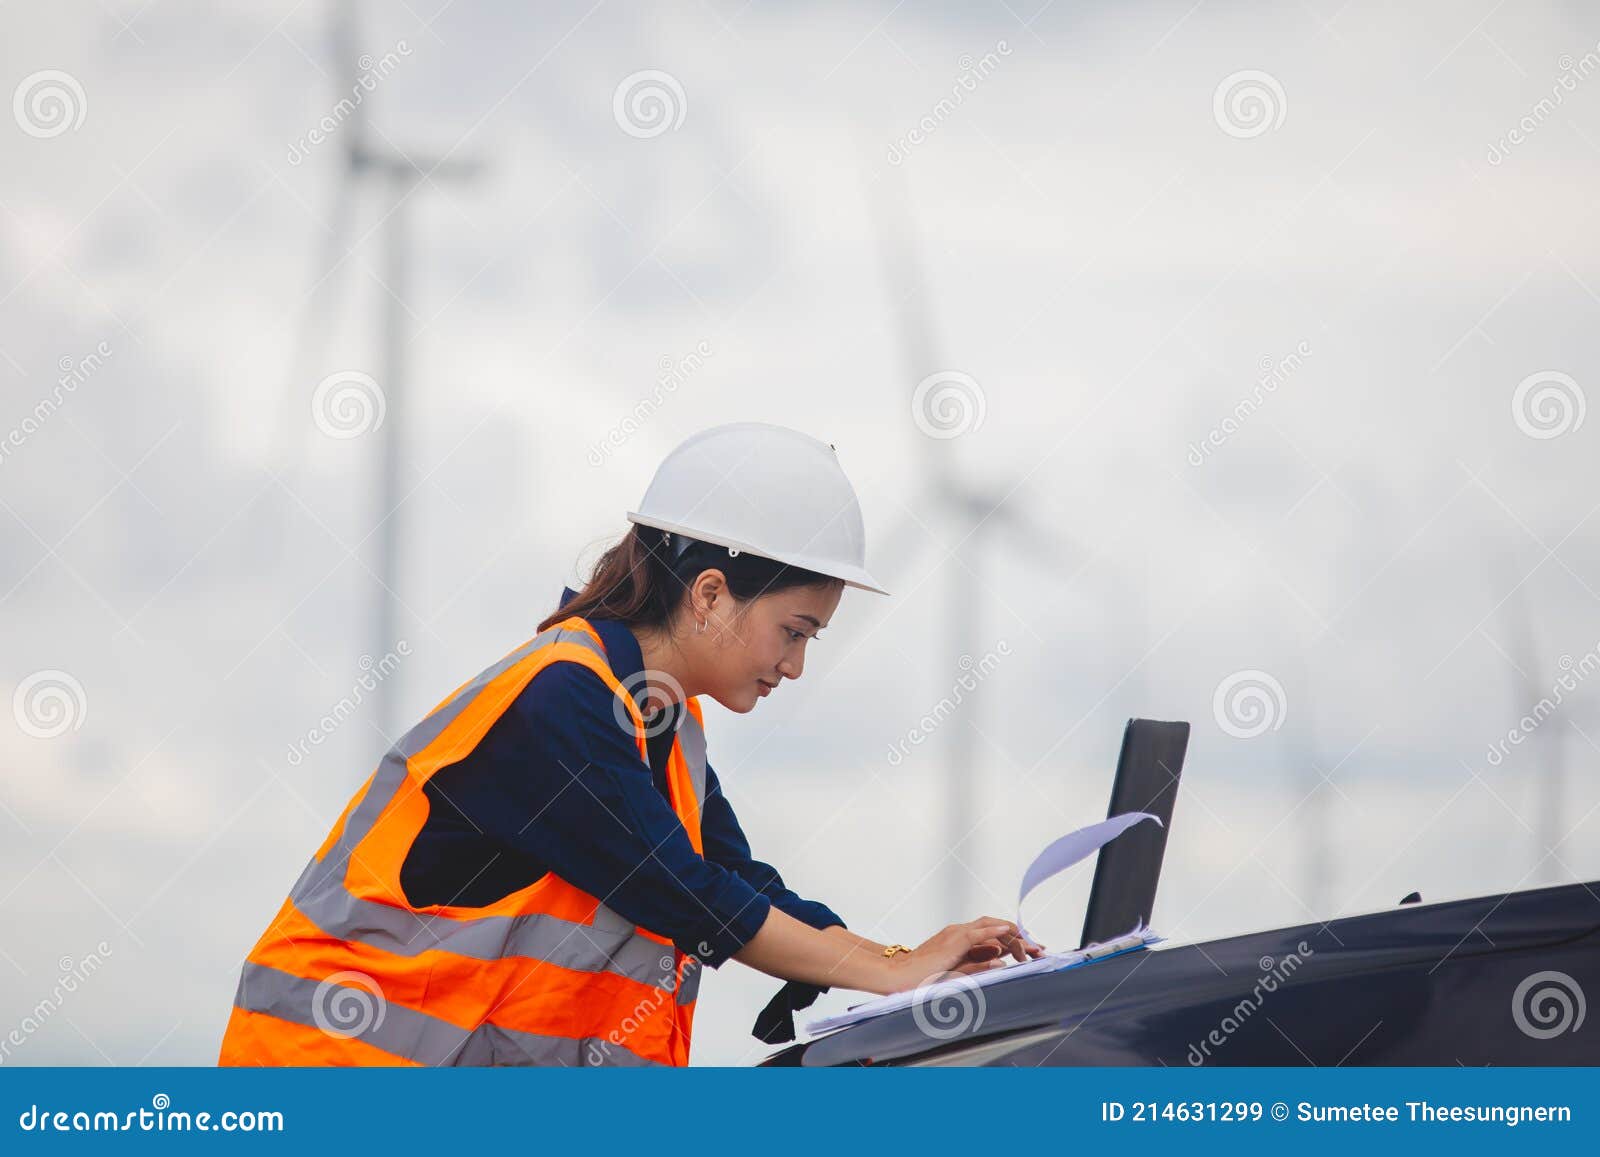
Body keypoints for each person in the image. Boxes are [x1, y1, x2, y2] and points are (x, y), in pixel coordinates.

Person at [218, 421, 1039, 1067]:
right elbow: (687, 894)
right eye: (793, 631)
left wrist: (913, 964)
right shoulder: (560, 701)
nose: (795, 664)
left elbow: (740, 882)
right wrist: (894, 971)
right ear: (711, 594)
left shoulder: (662, 720)